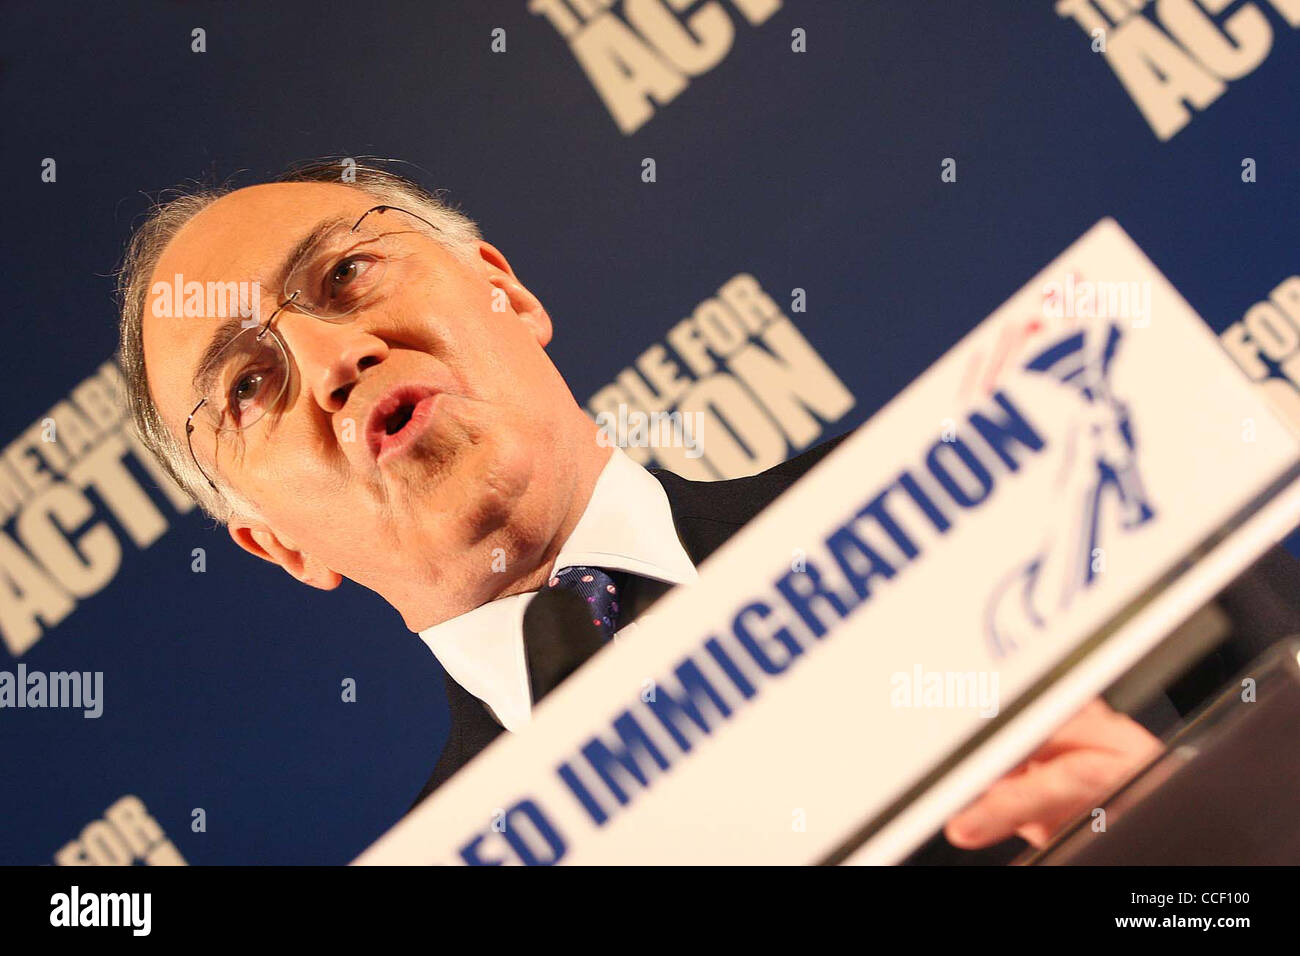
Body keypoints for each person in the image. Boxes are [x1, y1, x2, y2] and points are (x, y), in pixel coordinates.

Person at [116, 160, 1285, 858]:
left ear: (503, 289)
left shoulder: (1035, 479)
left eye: (344, 277)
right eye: (249, 386)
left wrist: (1194, 848)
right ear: (275, 545)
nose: (333, 355)